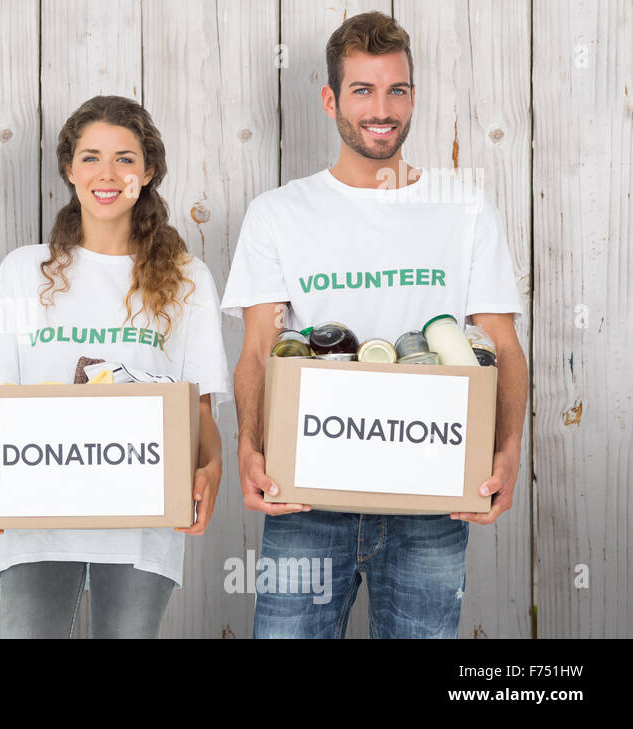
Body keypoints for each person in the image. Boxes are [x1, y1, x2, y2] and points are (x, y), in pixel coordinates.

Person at [220, 12, 526, 638]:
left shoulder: (464, 209)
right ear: (331, 98)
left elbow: (503, 346)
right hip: (306, 496)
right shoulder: (279, 213)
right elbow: (257, 351)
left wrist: (508, 447)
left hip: (432, 499)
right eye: (363, 90)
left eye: (397, 90)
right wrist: (249, 448)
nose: (382, 109)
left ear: (413, 95)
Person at [0, 95, 231, 639]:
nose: (108, 174)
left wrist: (211, 470)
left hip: (143, 526)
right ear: (68, 168)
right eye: (91, 157)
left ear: (148, 173)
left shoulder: (186, 277)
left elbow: (199, 409)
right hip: (36, 520)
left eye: (125, 159)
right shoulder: (22, 272)